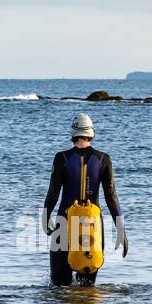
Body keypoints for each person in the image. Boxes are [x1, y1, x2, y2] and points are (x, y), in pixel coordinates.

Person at [42, 113, 128, 285]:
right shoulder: (103, 159)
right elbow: (111, 196)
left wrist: (45, 217)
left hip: (64, 224)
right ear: (92, 133)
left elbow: (53, 194)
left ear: (72, 134)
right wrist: (120, 229)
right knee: (87, 289)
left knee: (58, 289)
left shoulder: (62, 158)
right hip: (93, 226)